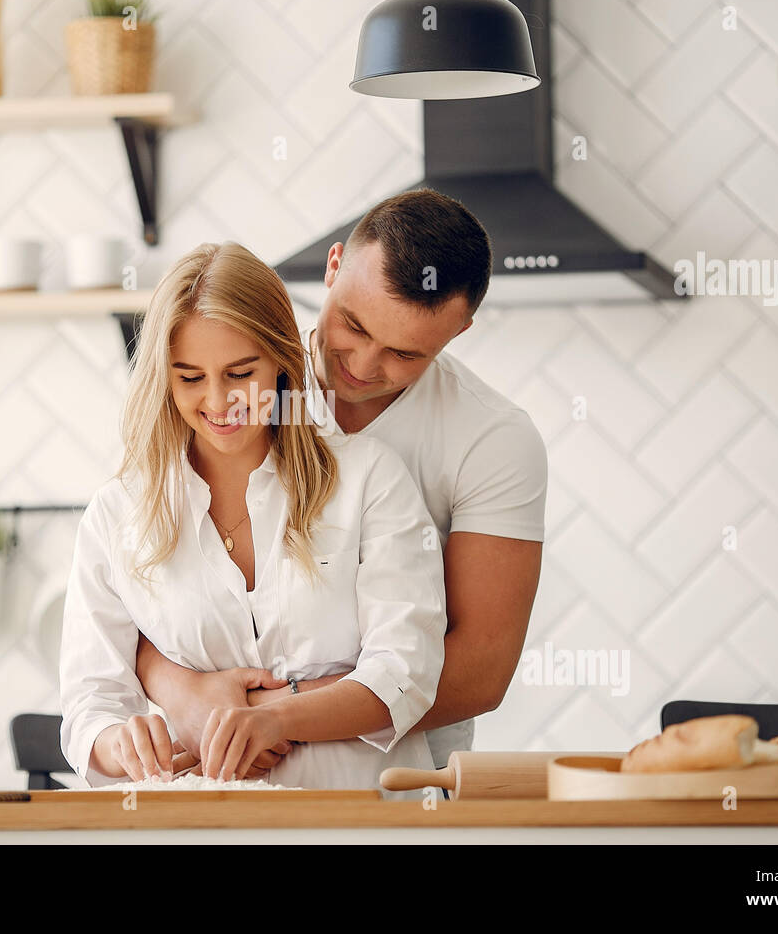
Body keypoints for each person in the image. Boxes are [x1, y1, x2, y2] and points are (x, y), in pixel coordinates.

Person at [135, 189, 548, 774]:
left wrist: (268, 715)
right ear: (333, 267)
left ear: (458, 330)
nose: (362, 363)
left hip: (398, 782)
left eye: (404, 353)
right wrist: (182, 695)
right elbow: (142, 583)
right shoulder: (239, 384)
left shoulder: (494, 440)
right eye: (352, 324)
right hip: (220, 772)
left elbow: (481, 668)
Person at [58, 241, 446, 792]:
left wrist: (274, 718)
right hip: (194, 826)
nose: (218, 402)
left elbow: (407, 674)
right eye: (189, 377)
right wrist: (119, 744)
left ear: (282, 361)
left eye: (240, 373)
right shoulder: (117, 514)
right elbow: (90, 699)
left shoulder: (369, 480)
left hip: (359, 822)